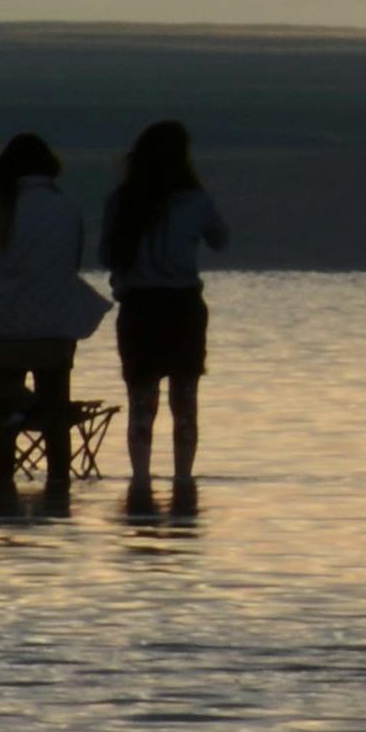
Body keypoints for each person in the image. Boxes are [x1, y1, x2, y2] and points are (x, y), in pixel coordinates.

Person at [0, 132, 108, 503]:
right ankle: (58, 484)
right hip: (57, 327)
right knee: (55, 402)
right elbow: (72, 262)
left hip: (1, 329)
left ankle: (2, 479)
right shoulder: (67, 207)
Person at [100, 120, 228, 514]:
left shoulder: (122, 200)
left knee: (141, 399)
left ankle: (140, 481)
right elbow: (220, 239)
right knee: (184, 399)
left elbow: (106, 255)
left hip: (138, 309)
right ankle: (183, 481)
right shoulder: (195, 200)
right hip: (183, 308)